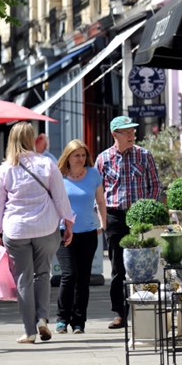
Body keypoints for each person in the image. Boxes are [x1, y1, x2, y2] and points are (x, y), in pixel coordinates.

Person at [0, 122, 75, 343]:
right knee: (43, 274)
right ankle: (42, 319)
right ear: (32, 139)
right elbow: (60, 197)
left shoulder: (5, 169)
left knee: (23, 278)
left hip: (16, 229)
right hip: (46, 228)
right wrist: (68, 224)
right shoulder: (46, 164)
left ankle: (29, 331)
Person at [95, 116, 161, 329]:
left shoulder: (144, 155)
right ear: (115, 134)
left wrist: (147, 211)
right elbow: (97, 192)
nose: (132, 134)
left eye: (133, 130)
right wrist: (102, 218)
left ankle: (146, 307)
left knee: (145, 265)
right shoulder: (103, 159)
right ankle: (120, 313)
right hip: (115, 216)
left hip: (140, 217)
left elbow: (155, 187)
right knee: (117, 268)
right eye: (126, 131)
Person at [54, 139, 107, 334]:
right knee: (69, 275)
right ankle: (62, 319)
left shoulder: (93, 174)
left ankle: (78, 322)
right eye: (77, 155)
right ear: (68, 157)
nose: (81, 159)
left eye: (83, 155)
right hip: (63, 233)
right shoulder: (59, 176)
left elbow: (101, 201)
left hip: (89, 234)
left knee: (83, 279)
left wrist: (103, 224)